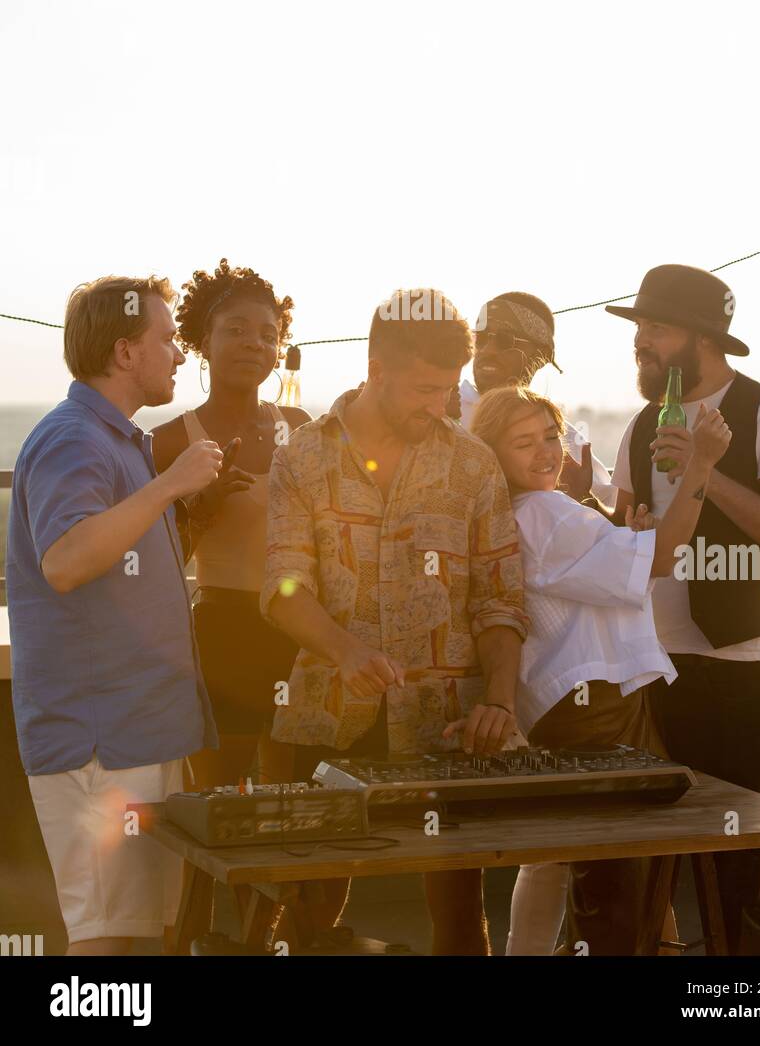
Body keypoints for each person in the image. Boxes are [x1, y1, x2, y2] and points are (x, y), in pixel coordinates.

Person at [262, 289, 528, 955]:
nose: (437, 406)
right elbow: (283, 587)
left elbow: (500, 602)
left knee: (462, 919)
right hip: (329, 716)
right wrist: (345, 651)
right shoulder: (302, 456)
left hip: (446, 725)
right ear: (376, 367)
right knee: (309, 909)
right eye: (422, 389)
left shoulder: (474, 465)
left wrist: (499, 700)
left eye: (447, 390)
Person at [606, 264, 760, 951]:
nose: (641, 340)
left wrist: (711, 472)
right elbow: (624, 546)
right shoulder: (642, 425)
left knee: (732, 871)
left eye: (657, 327)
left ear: (703, 340)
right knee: (641, 864)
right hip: (654, 669)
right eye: (639, 326)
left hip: (738, 671)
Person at [471, 385, 731, 955]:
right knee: (622, 876)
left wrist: (620, 537)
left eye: (549, 436)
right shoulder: (547, 511)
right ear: (493, 455)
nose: (544, 452)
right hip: (598, 708)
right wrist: (703, 465)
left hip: (558, 706)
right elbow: (664, 556)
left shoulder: (514, 513)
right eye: (523, 442)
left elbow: (595, 576)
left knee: (563, 858)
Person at [6, 276, 220, 955]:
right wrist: (172, 484)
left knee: (137, 937)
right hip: (98, 742)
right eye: (167, 340)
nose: (180, 355)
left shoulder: (113, 440)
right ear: (126, 353)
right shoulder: (72, 439)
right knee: (106, 941)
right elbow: (66, 561)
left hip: (136, 735)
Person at [152, 259, 310, 790]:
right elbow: (153, 561)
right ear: (202, 340)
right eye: (236, 330)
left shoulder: (301, 428)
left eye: (268, 335)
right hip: (225, 636)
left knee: (296, 808)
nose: (254, 345)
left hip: (301, 632)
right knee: (215, 807)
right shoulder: (173, 439)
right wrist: (204, 507)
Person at [458, 291, 615, 506]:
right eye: (481, 338)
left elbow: (610, 517)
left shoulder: (560, 438)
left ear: (540, 356)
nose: (488, 350)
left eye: (505, 340)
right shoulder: (442, 412)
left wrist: (580, 498)